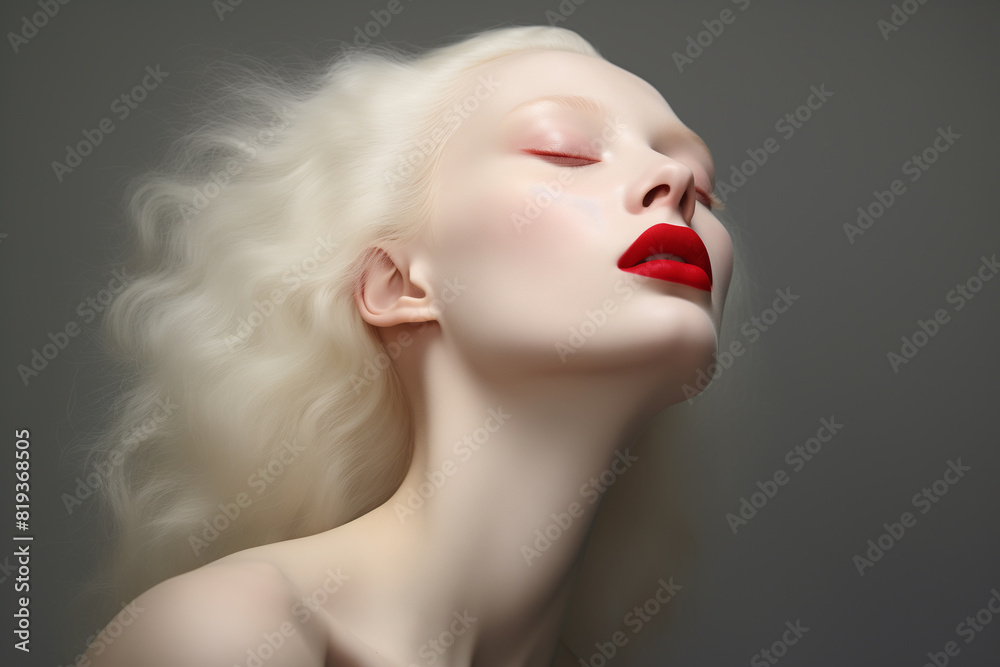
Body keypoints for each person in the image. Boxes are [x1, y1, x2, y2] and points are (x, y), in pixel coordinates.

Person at [81, 23, 736, 667]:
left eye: (702, 184)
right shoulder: (225, 639)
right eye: (565, 150)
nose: (671, 181)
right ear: (395, 284)